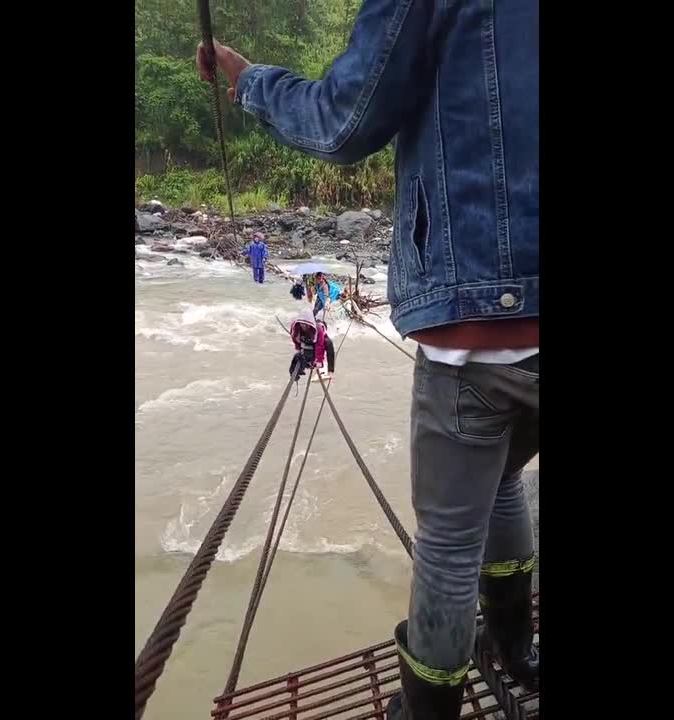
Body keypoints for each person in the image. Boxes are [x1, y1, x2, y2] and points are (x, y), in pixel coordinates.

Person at [200, 2, 539, 717]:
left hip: (474, 321)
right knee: (502, 474)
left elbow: (343, 120)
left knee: (447, 546)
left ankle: (430, 707)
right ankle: (517, 649)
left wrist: (246, 80)